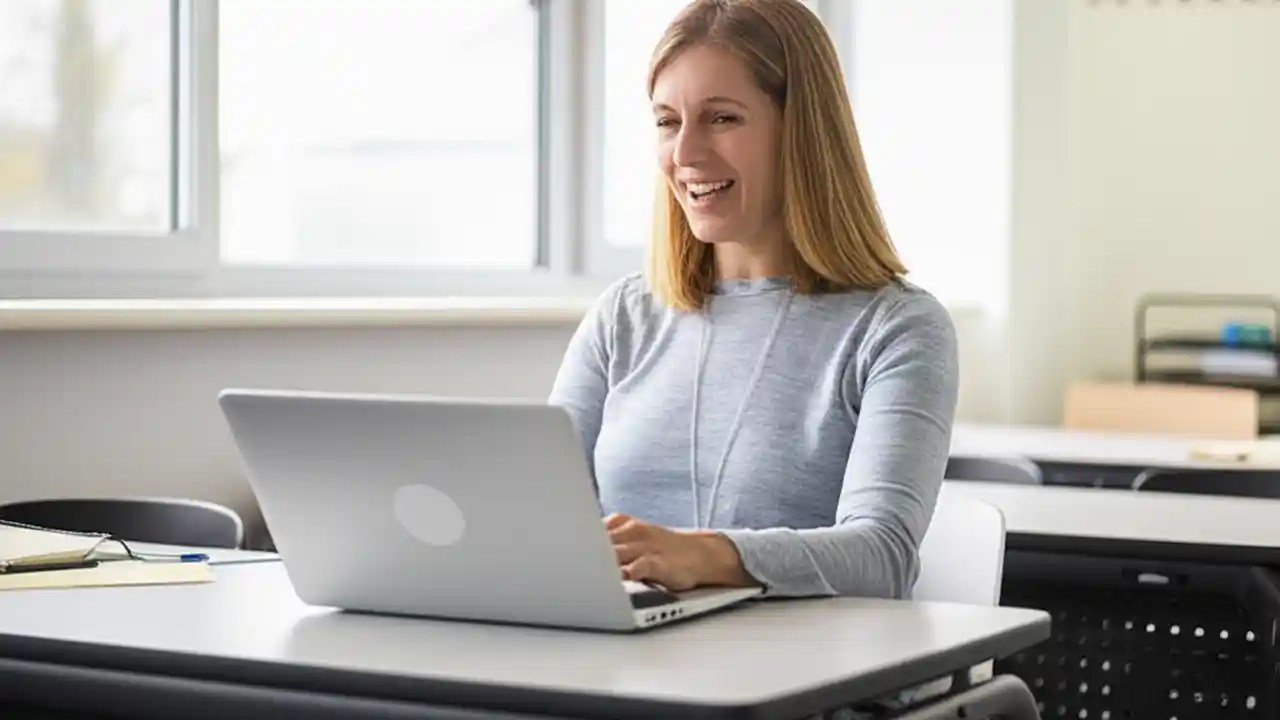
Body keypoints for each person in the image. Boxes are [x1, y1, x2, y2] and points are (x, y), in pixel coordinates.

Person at [549, 0, 958, 599]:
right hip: (623, 644)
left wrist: (704, 554)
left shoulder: (898, 328)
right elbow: (541, 511)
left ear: (800, 131)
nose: (685, 154)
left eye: (722, 118)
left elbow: (882, 556)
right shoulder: (623, 317)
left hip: (798, 655)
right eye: (668, 121)